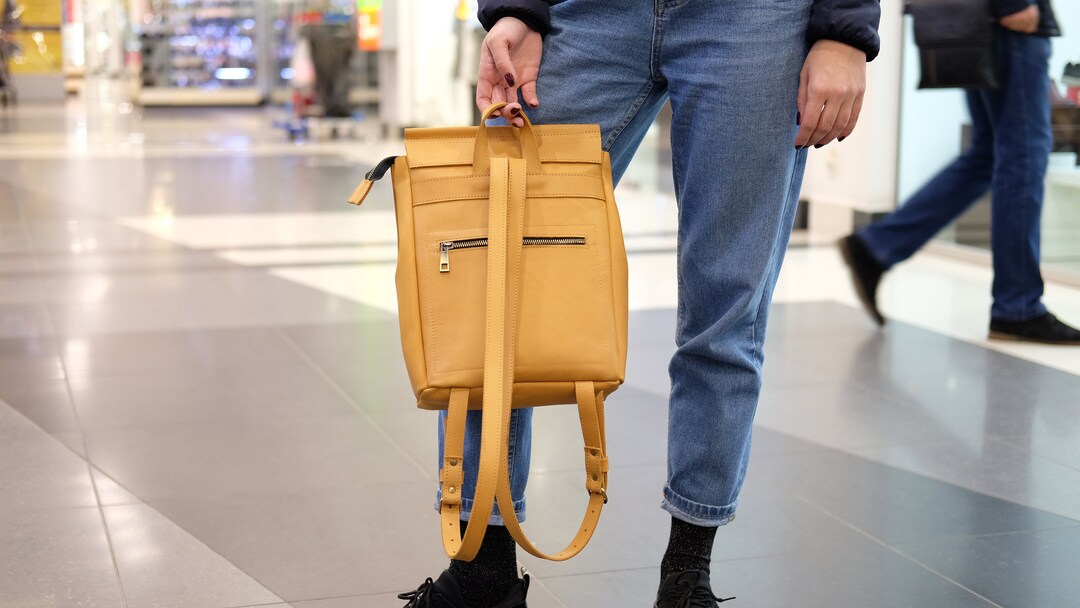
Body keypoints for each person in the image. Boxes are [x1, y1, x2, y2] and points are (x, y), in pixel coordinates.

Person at [399, 1, 881, 606]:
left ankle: (687, 577)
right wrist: (515, 7)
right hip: (588, 13)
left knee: (726, 309)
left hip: (753, 17)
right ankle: (482, 573)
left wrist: (845, 31)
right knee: (494, 283)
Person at [840, 1, 1080, 345]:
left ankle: (878, 245)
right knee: (1024, 154)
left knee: (988, 154)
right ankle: (1018, 307)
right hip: (1009, 22)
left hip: (985, 22)